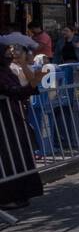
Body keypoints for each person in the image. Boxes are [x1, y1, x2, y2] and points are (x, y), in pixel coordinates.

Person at [0, 44, 45, 211]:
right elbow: (12, 91)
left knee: (20, 155)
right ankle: (6, 198)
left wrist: (32, 82)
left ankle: (21, 194)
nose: (10, 56)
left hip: (15, 117)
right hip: (5, 121)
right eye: (6, 53)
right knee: (8, 158)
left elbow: (22, 90)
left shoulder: (7, 71)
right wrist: (30, 85)